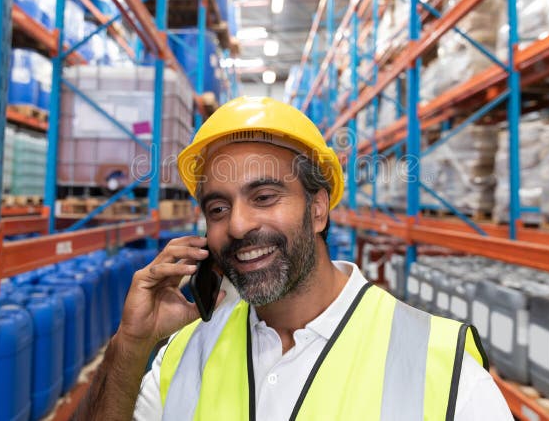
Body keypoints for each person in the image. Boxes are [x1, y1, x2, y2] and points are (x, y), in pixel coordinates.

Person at [74, 96, 513, 421]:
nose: (240, 225)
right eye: (218, 209)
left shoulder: (440, 366)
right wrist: (130, 346)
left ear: (318, 208)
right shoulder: (184, 354)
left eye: (264, 197)